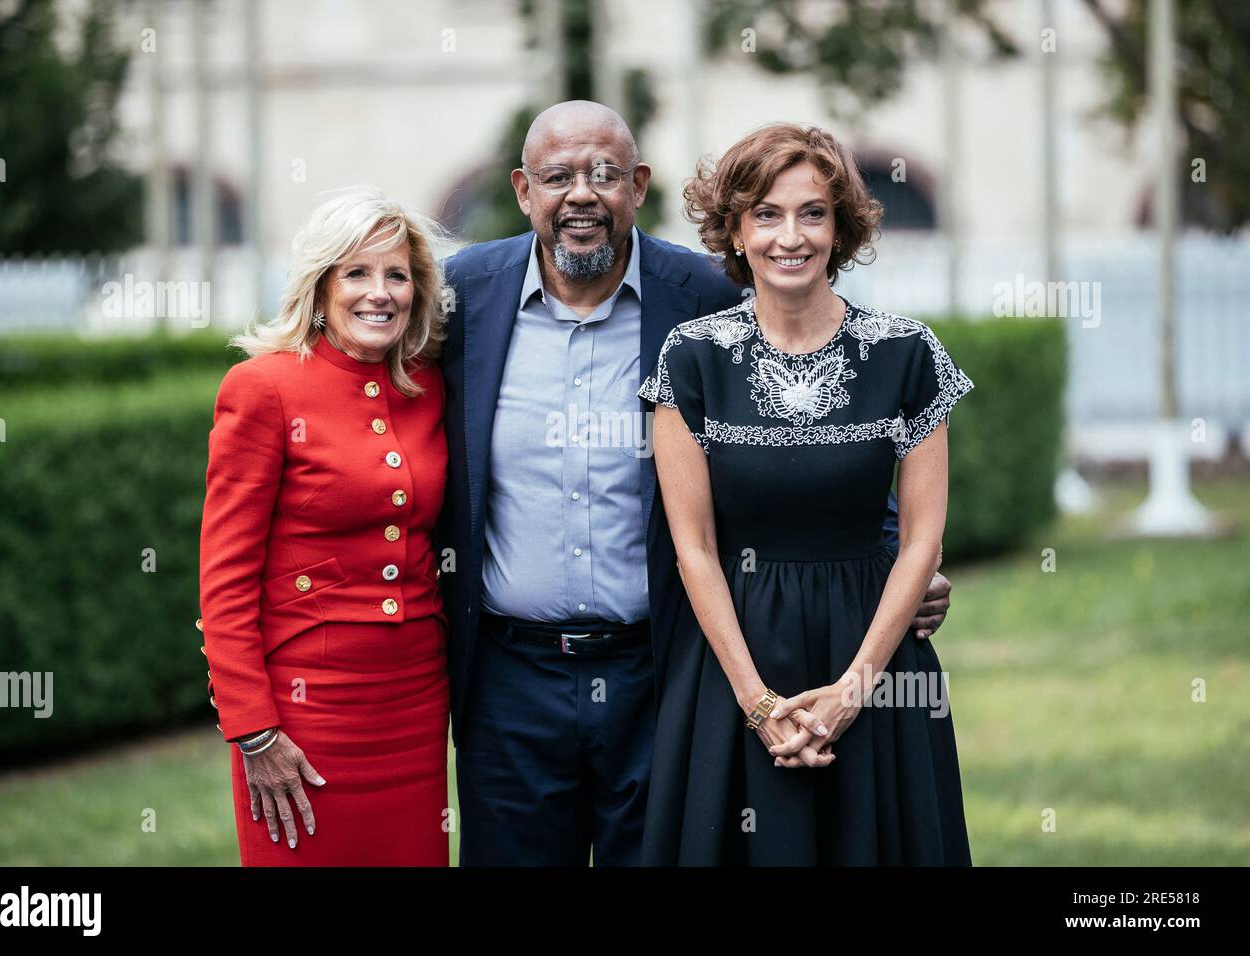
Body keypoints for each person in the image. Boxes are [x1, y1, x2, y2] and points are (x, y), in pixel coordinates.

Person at [437, 101, 956, 866]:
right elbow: (368, 397)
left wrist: (898, 563)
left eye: (605, 173)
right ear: (523, 190)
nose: (582, 194)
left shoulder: (705, 299)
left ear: (637, 185)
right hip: (510, 678)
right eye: (558, 176)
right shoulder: (461, 297)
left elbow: (805, 438)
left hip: (663, 667)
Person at [639, 123, 974, 865]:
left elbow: (923, 538)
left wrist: (854, 688)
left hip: (878, 658)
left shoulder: (906, 353)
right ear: (734, 229)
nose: (790, 236)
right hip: (734, 664)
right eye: (766, 213)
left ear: (841, 226)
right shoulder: (691, 358)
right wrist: (759, 705)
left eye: (813, 212)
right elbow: (692, 545)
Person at [198, 187, 451, 865]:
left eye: (396, 274)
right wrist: (252, 731)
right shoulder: (262, 388)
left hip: (415, 701)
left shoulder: (428, 387)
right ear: (320, 286)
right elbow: (223, 582)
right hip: (305, 709)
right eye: (357, 273)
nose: (380, 292)